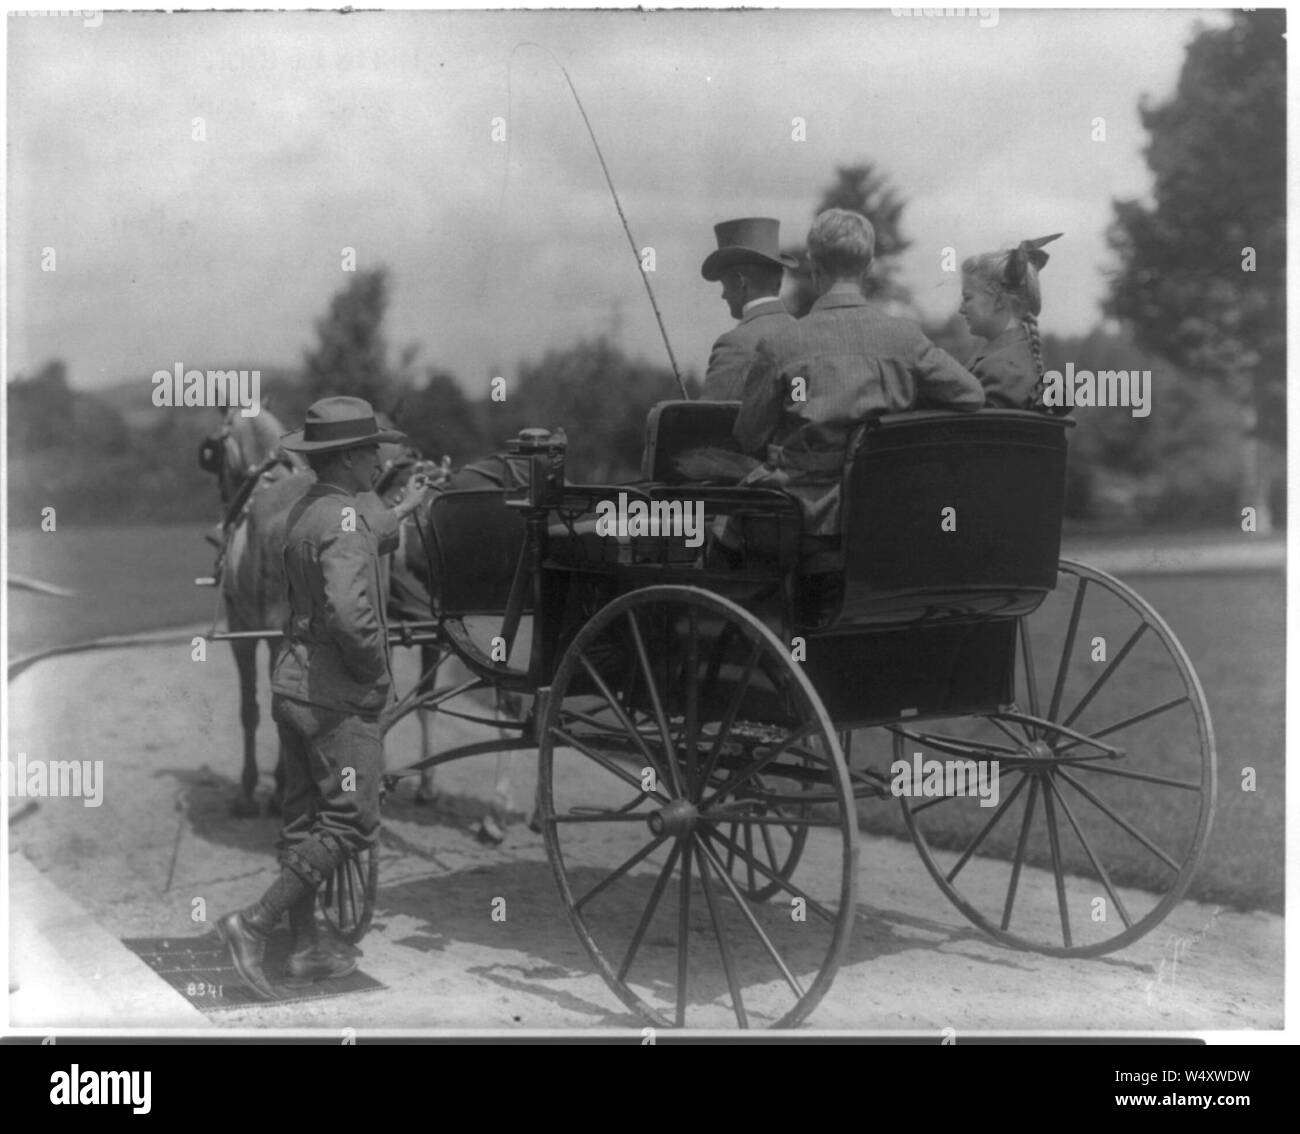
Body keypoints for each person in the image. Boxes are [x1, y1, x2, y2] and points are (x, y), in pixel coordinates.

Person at [217, 396, 432, 999]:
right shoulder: (341, 518)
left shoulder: (309, 509)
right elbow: (348, 607)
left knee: (302, 815)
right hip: (338, 695)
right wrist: (372, 674)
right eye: (371, 450)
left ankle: (307, 946)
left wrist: (401, 510)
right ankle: (253, 925)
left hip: (291, 683)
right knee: (353, 817)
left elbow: (357, 532)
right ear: (347, 457)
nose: (379, 458)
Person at [732, 209, 985, 546]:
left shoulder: (780, 347)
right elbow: (972, 396)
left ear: (814, 266)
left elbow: (748, 437)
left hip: (800, 525)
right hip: (886, 513)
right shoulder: (906, 340)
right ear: (868, 268)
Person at [959, 233, 1062, 409]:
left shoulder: (1003, 368)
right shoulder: (1008, 358)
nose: (961, 309)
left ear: (999, 301)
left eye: (968, 298)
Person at [700, 217, 798, 401]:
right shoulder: (803, 333)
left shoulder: (735, 344)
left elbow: (706, 420)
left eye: (724, 285)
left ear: (740, 281)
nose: (723, 295)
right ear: (779, 280)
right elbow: (799, 402)